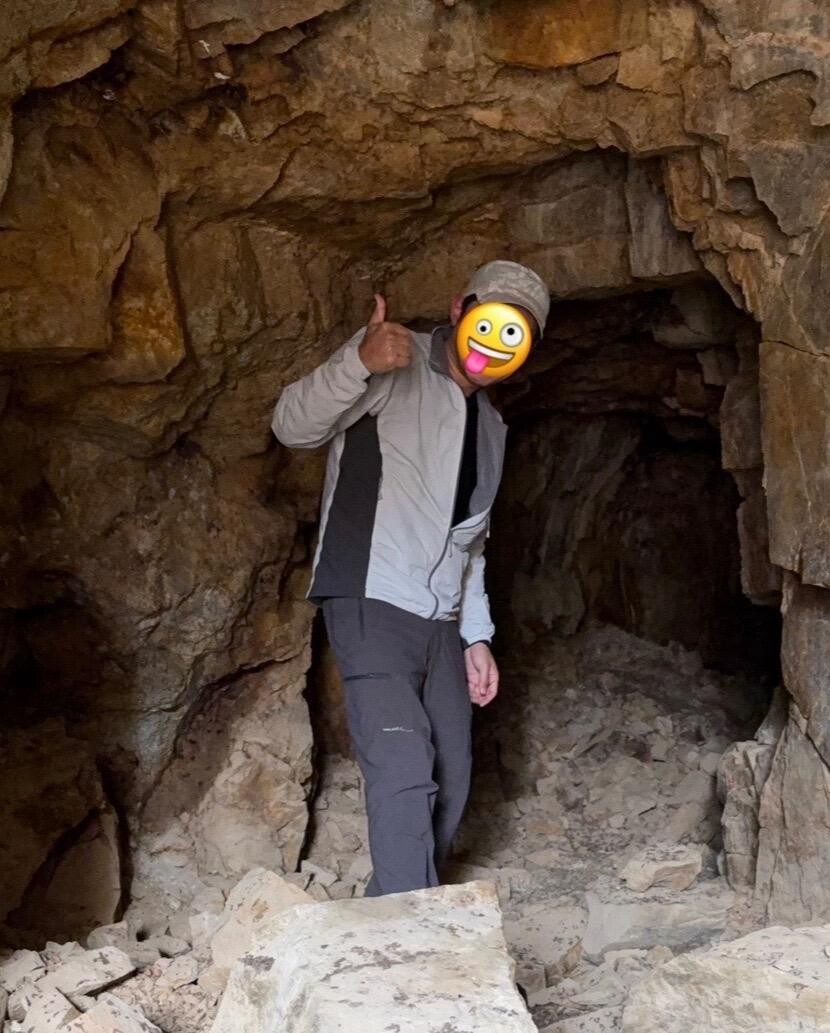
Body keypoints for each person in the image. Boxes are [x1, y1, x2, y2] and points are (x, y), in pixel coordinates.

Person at [271, 260, 550, 897]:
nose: (493, 342)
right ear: (459, 309)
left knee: (451, 777)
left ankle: (398, 910)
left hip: (441, 622)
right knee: (401, 765)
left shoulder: (494, 430)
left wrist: (475, 636)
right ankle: (408, 937)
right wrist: (359, 363)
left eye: (517, 334)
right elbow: (291, 425)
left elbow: (470, 540)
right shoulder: (390, 359)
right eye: (488, 319)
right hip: (370, 596)